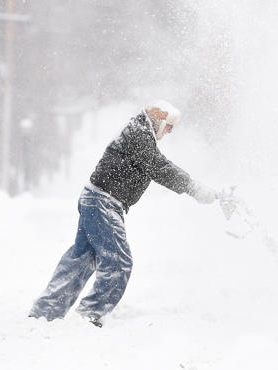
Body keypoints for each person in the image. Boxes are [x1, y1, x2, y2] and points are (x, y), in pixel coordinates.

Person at [28, 100, 223, 327]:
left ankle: (47, 311)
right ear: (158, 120)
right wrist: (195, 189)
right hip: (103, 202)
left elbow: (157, 165)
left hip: (96, 199)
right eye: (169, 125)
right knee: (119, 262)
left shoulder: (138, 133)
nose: (170, 131)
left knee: (82, 258)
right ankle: (91, 314)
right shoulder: (139, 135)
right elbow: (161, 168)